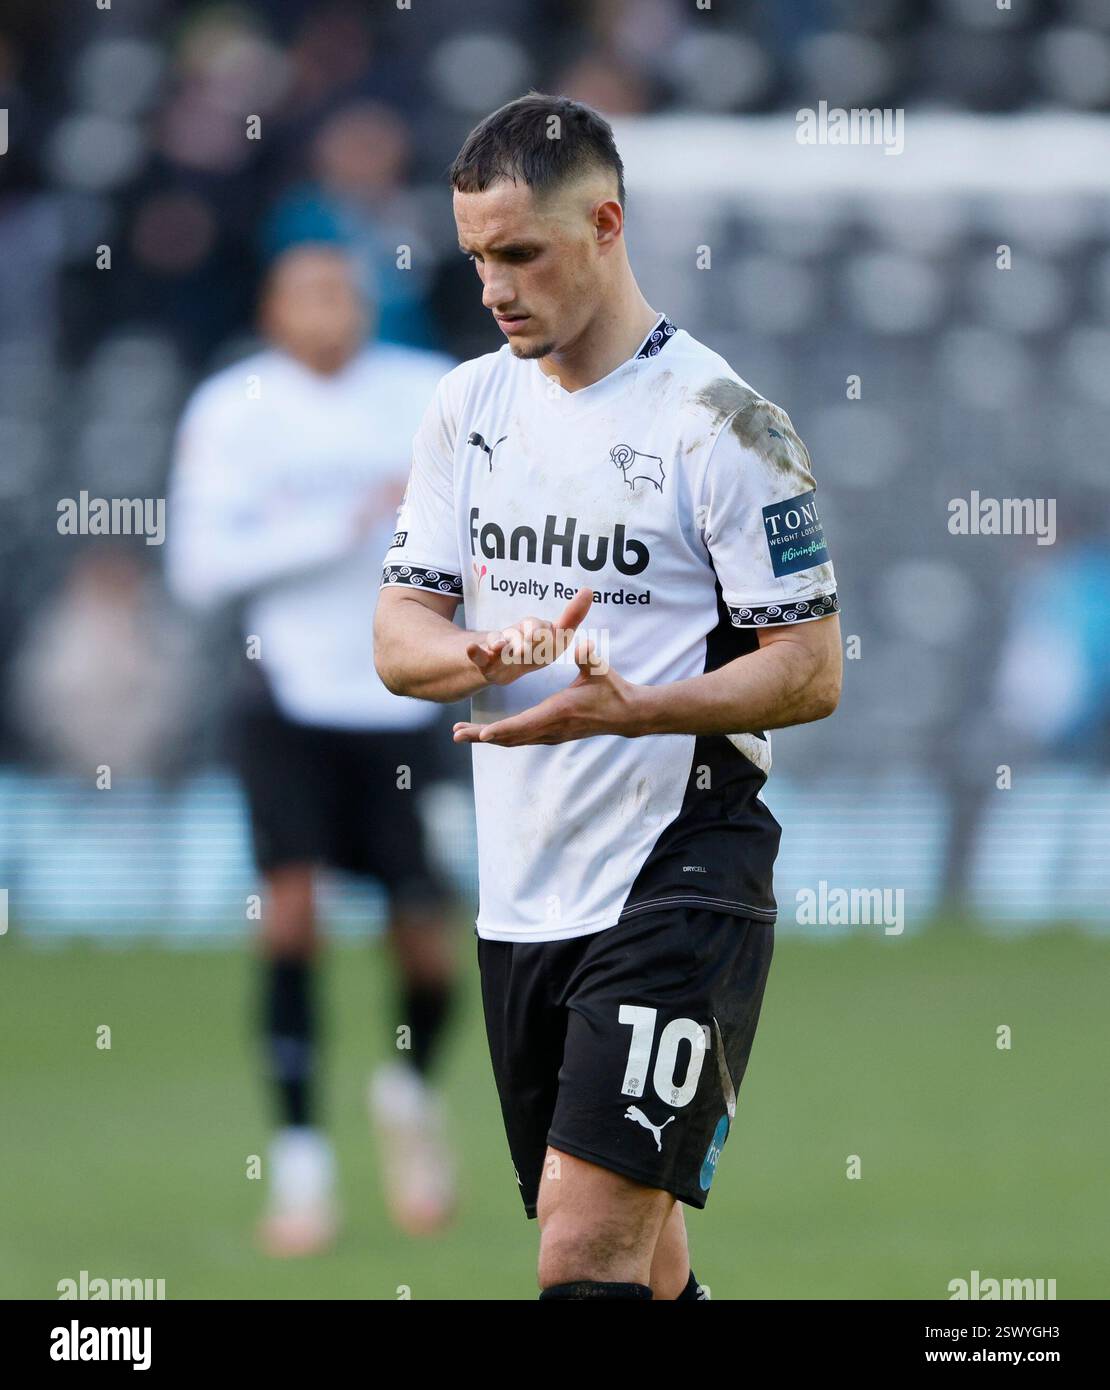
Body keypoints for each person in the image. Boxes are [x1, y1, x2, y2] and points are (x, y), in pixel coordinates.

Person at [374, 94, 843, 1300]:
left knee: (581, 1259)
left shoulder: (728, 423)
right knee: (647, 1265)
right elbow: (397, 639)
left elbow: (812, 666)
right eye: (476, 255)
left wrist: (635, 707)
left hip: (683, 869)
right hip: (527, 894)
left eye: (519, 252)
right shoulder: (464, 408)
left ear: (606, 223)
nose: (492, 285)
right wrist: (492, 651)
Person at [166, 245, 459, 1255]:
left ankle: (407, 1091)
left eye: (342, 293)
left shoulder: (429, 395)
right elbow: (201, 567)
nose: (326, 312)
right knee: (289, 914)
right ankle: (301, 1166)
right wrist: (346, 524)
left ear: (366, 306)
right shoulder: (231, 409)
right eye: (305, 295)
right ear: (273, 309)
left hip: (405, 698)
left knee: (423, 933)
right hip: (286, 696)